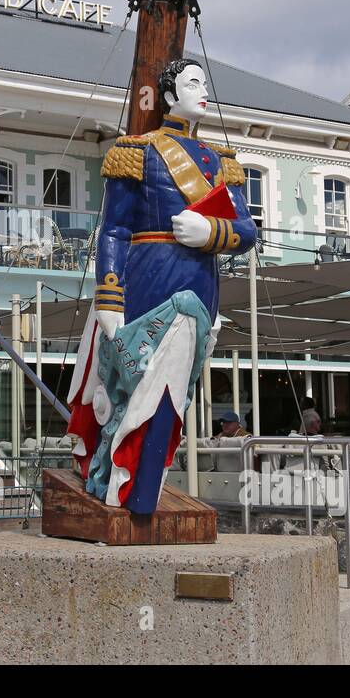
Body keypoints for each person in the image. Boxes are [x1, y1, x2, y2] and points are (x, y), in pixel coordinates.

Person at [65, 57, 259, 514]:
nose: (203, 90)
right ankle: (124, 489)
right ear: (171, 95)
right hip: (148, 278)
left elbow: (248, 231)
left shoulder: (223, 163)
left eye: (204, 82)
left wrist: (210, 233)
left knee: (175, 391)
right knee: (136, 386)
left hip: (202, 285)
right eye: (193, 83)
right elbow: (112, 230)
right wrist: (109, 295)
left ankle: (139, 495)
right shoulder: (138, 152)